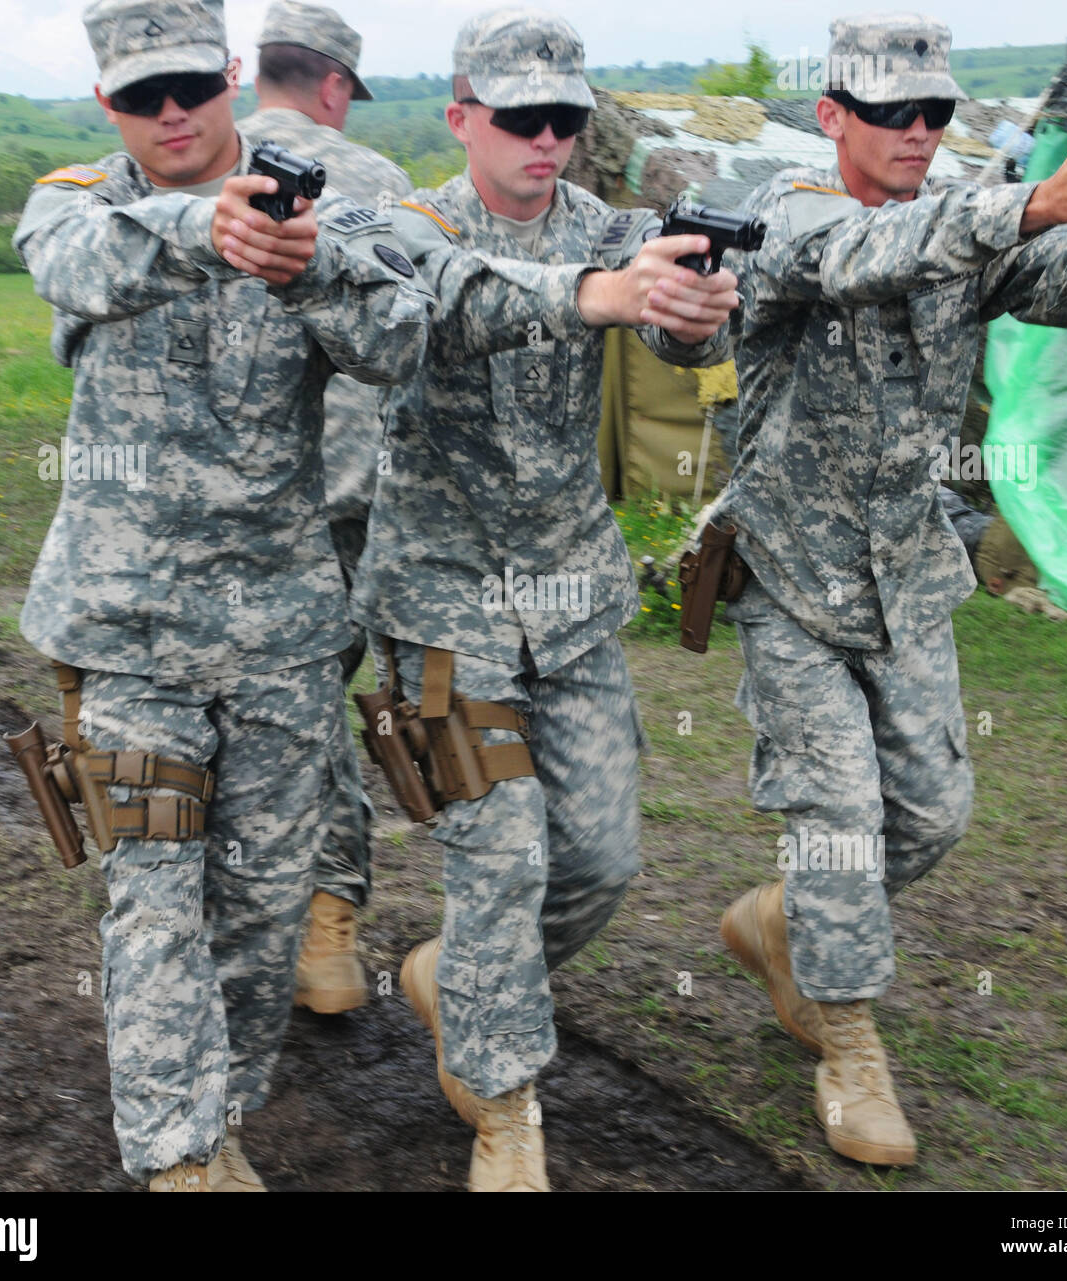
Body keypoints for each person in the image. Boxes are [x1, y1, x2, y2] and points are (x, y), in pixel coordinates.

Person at [696, 12, 1067, 1166]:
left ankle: (782, 924)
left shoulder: (963, 216)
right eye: (891, 112)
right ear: (831, 117)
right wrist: (1029, 201)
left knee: (931, 813)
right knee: (838, 821)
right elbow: (866, 255)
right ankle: (847, 1043)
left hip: (907, 571)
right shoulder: (784, 210)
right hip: (792, 574)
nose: (918, 131)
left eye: (936, 113)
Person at [13, 0, 436, 1190]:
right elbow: (72, 264)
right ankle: (181, 1157)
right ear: (109, 106)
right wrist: (209, 228)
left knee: (258, 914)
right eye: (141, 97)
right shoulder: (79, 199)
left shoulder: (324, 205)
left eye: (191, 87)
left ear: (232, 77)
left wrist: (306, 275)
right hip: (128, 632)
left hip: (281, 636)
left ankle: (224, 1109)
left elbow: (400, 336)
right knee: (153, 897)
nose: (170, 114)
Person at [356, 7, 739, 1190]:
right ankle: (506, 1101)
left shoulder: (614, 227)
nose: (545, 141)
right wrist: (601, 295)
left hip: (569, 603)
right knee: (501, 857)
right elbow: (450, 298)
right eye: (519, 117)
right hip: (440, 607)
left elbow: (672, 318)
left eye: (566, 119)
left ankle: (458, 982)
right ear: (461, 114)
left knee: (602, 863)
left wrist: (686, 303)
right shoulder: (403, 226)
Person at [238, 1, 415, 1017]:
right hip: (343, 493)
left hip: (216, 503)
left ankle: (256, 910)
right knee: (313, 696)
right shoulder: (374, 182)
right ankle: (327, 925)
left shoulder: (195, 169)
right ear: (337, 85)